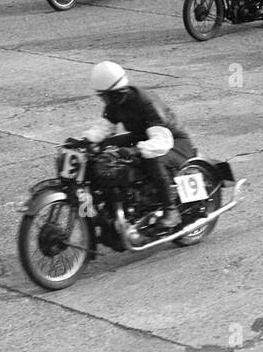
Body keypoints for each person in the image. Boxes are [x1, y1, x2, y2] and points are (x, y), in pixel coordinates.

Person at [83, 61, 194, 230]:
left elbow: (161, 141)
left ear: (116, 93)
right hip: (144, 137)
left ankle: (170, 210)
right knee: (106, 146)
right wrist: (87, 141)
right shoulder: (115, 103)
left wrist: (133, 150)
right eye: (102, 96)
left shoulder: (146, 103)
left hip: (175, 142)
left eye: (105, 96)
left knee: (152, 158)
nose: (103, 100)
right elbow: (105, 126)